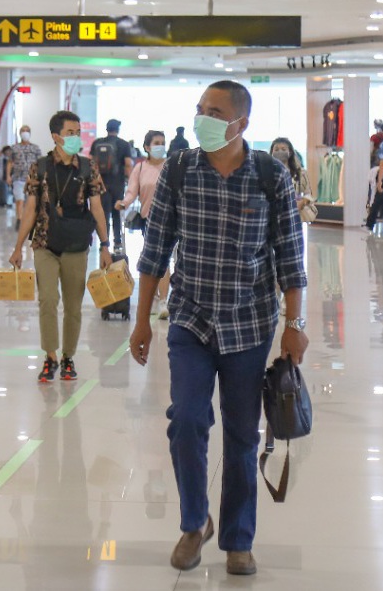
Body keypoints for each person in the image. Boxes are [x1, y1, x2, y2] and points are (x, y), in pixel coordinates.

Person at [129, 81, 308, 577]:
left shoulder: (271, 176)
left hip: (249, 324)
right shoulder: (181, 170)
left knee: (242, 435)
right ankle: (193, 522)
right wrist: (142, 319)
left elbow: (292, 260)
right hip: (190, 318)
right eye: (199, 110)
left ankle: (237, 540)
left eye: (215, 112)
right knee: (186, 420)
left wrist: (295, 324)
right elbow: (156, 248)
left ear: (241, 124)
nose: (203, 118)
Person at [9, 110, 112, 383]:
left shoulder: (89, 168)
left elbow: (98, 208)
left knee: (74, 306)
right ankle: (50, 356)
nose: (76, 137)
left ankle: (68, 356)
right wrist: (19, 246)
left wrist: (106, 245)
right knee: (48, 300)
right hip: (44, 242)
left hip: (77, 245)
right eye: (70, 133)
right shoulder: (40, 167)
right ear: (56, 136)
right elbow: (30, 208)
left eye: (78, 133)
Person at [115, 130, 170, 315]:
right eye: (156, 143)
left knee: (164, 259)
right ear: (147, 147)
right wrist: (124, 203)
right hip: (149, 220)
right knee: (151, 259)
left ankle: (163, 300)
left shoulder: (171, 167)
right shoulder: (140, 169)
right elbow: (132, 191)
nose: (160, 146)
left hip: (170, 220)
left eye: (162, 142)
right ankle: (154, 297)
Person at [90, 119, 133, 252]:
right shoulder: (124, 144)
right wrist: (129, 179)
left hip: (101, 182)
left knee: (103, 213)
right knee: (116, 212)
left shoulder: (97, 143)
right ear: (118, 129)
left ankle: (105, 241)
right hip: (117, 183)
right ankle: (117, 242)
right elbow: (127, 164)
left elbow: (91, 162)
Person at [269, 137, 316, 222]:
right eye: (276, 149)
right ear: (272, 152)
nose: (280, 152)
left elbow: (308, 194)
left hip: (295, 216)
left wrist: (301, 203)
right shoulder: (266, 172)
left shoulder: (300, 173)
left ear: (290, 152)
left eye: (283, 149)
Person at [8, 124, 43, 230]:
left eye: (27, 131)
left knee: (31, 202)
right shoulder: (14, 148)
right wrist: (8, 176)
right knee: (19, 200)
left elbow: (40, 162)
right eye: (23, 131)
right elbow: (10, 162)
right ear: (20, 133)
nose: (25, 132)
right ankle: (19, 219)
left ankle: (30, 221)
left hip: (32, 179)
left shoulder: (35, 148)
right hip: (18, 177)